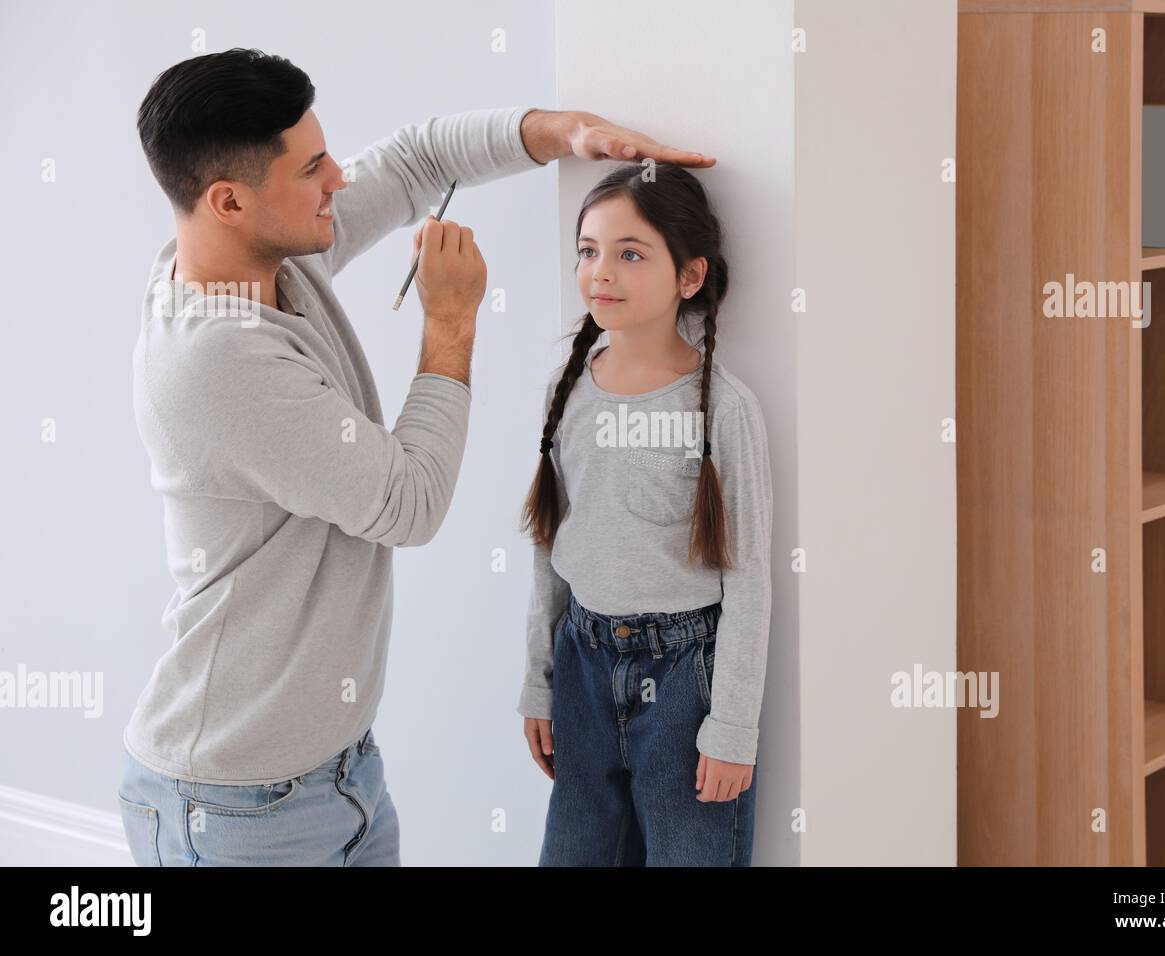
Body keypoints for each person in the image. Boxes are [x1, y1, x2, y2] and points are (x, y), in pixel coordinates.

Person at [118, 47, 715, 867]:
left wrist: (565, 131)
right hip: (236, 805)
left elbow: (417, 159)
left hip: (339, 775)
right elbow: (408, 503)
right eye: (314, 167)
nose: (338, 180)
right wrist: (452, 325)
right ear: (228, 199)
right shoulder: (219, 362)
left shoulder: (265, 254)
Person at [518, 163, 774, 866]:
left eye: (631, 253)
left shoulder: (725, 408)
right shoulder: (565, 388)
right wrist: (538, 684)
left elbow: (748, 580)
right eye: (589, 250)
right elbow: (548, 551)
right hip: (581, 667)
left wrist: (732, 731)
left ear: (689, 277)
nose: (602, 272)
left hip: (687, 679)